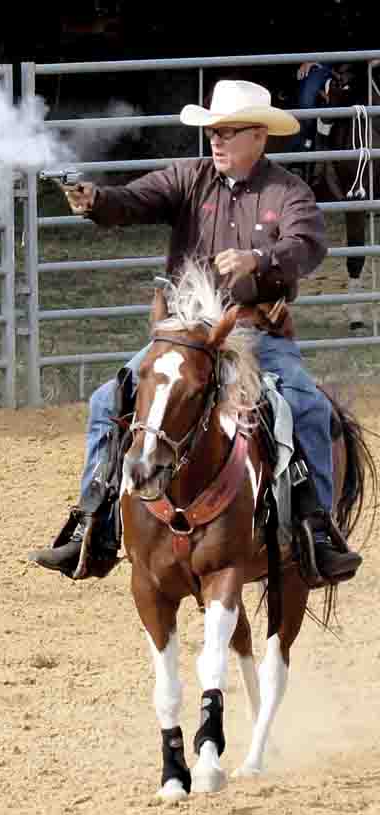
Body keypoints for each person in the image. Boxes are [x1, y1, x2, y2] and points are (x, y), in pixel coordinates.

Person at [27, 79, 362, 585]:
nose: (216, 139)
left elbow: (308, 245)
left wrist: (260, 259)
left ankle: (316, 527)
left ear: (259, 137)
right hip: (187, 336)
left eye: (227, 131)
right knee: (106, 400)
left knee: (306, 404)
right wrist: (96, 199)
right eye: (213, 131)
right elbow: (133, 200)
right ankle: (93, 524)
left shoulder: (287, 192)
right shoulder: (188, 178)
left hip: (255, 332)